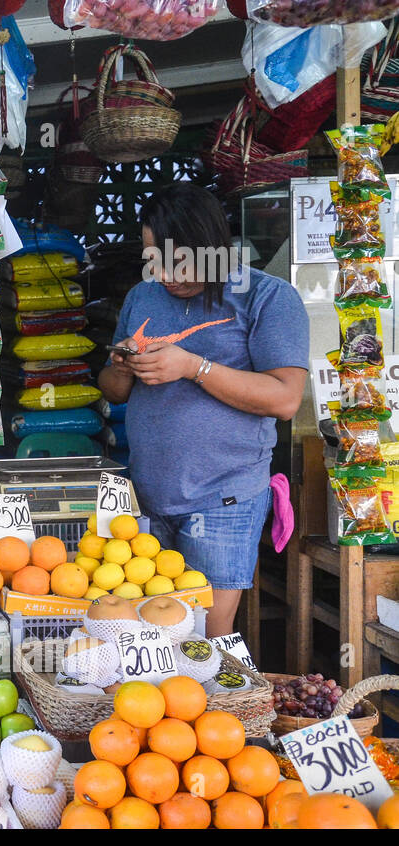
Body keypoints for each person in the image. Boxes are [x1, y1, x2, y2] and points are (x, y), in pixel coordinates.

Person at [97, 183, 309, 638]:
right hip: (147, 498)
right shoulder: (143, 296)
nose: (165, 272)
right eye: (153, 258)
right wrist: (124, 365)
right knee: (145, 635)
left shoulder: (267, 298)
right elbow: (113, 391)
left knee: (206, 640)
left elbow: (285, 399)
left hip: (223, 499)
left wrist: (193, 366)